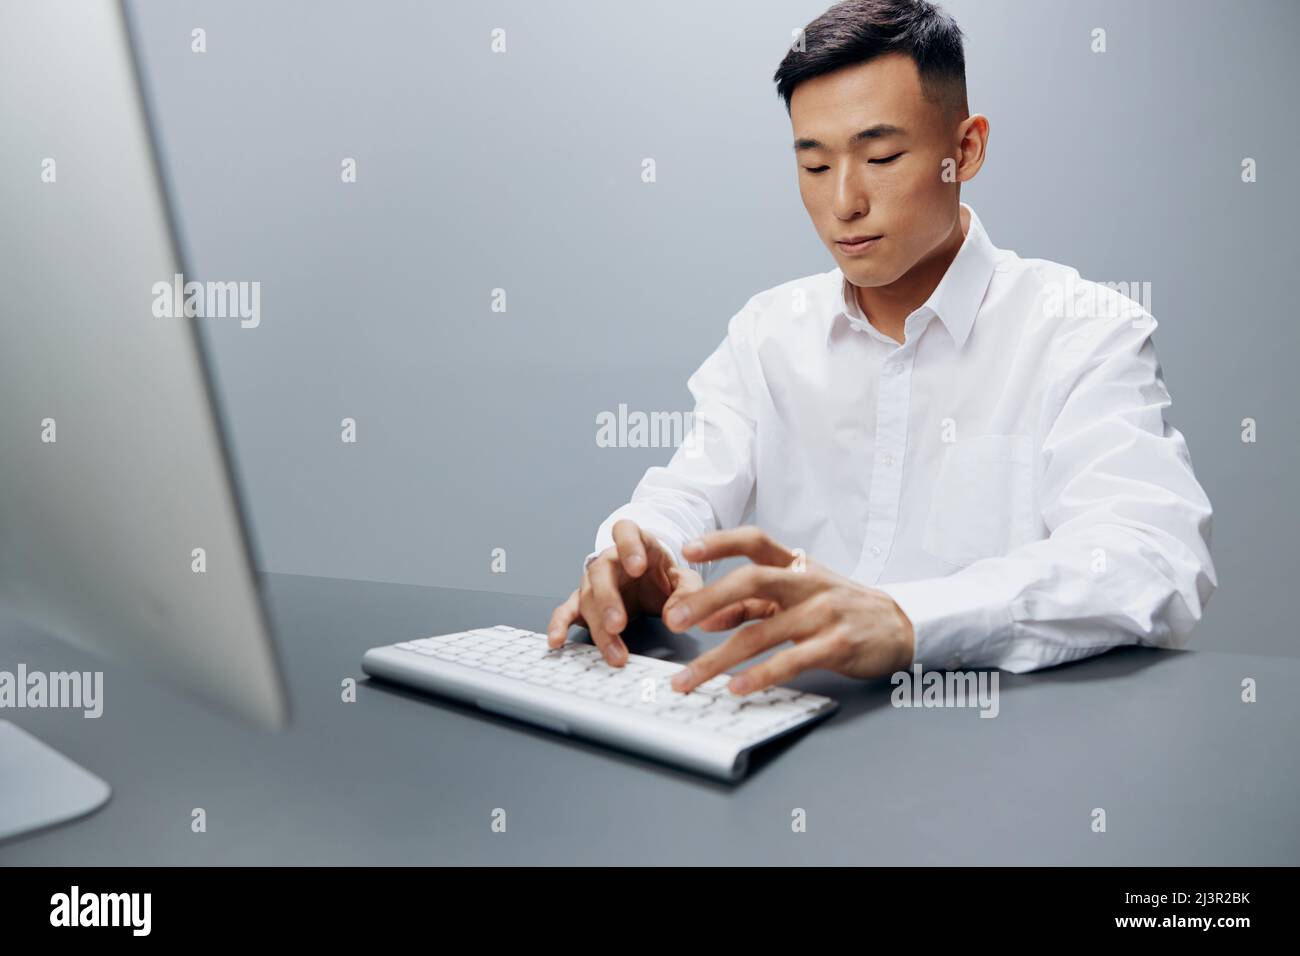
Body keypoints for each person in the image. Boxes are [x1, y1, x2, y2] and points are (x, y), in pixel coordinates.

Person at [547, 0, 1216, 697]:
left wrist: (910, 619)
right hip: (790, 733)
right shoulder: (768, 332)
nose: (844, 202)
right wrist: (637, 551)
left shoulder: (1082, 330)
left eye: (882, 157)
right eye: (813, 166)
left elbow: (1152, 557)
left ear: (966, 150)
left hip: (999, 744)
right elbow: (684, 491)